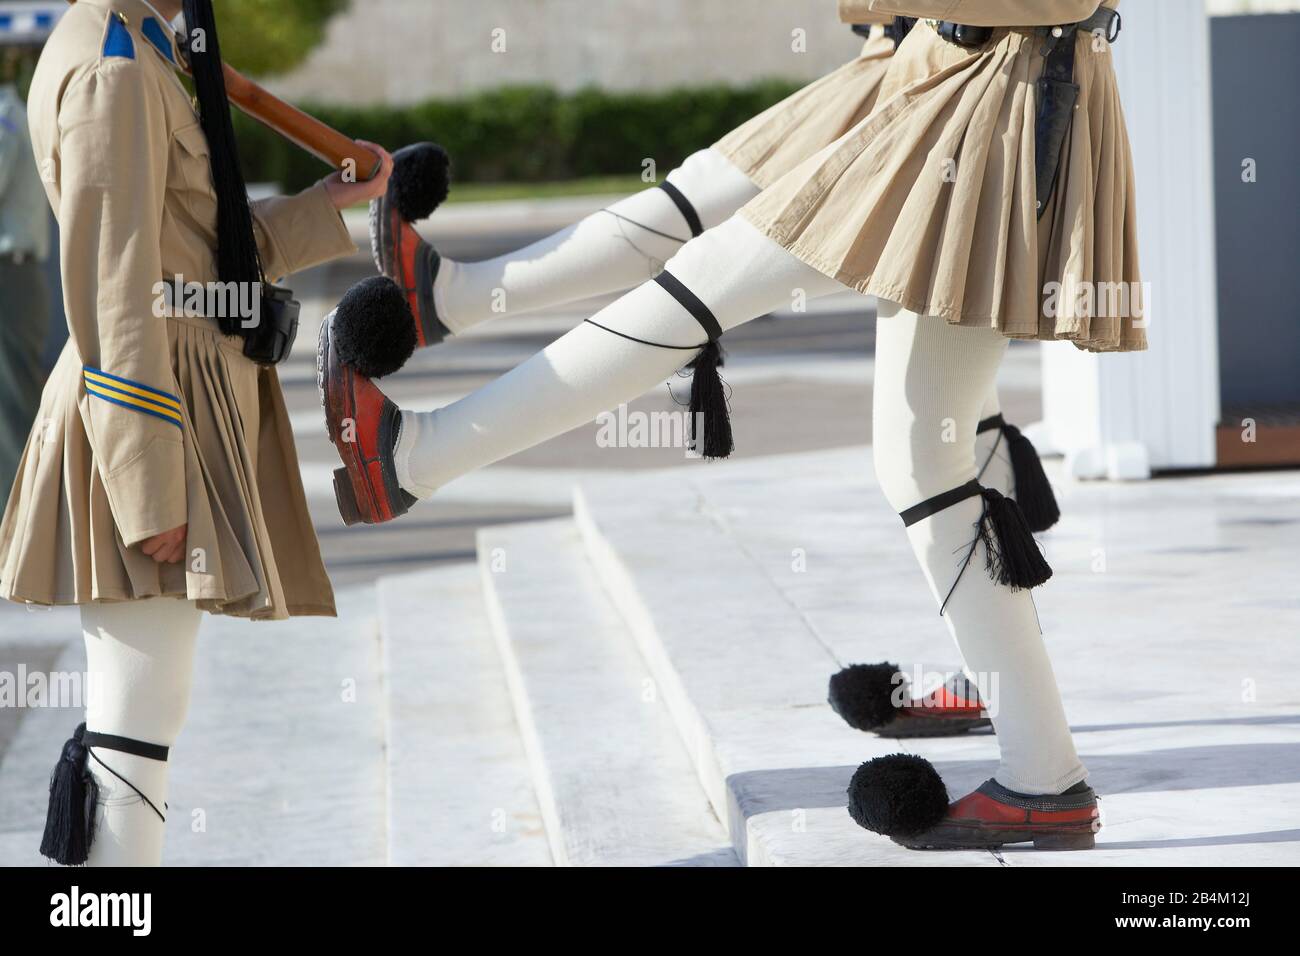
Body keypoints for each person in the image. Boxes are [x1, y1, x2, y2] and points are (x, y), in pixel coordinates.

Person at [324, 1, 1137, 851]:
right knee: (924, 455)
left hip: (997, 101)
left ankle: (419, 453)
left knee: (709, 284)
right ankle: (1041, 769)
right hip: (961, 82)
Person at [1, 0, 393, 866]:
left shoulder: (142, 42)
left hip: (178, 398)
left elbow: (199, 255)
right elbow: (117, 292)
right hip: (146, 414)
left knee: (144, 715)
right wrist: (148, 486)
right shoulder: (114, 64)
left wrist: (325, 203)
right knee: (133, 725)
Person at [0, 79, 51, 514]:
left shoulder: (4, 119)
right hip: (16, 275)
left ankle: (20, 522)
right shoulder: (14, 114)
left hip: (8, 278)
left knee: (11, 410)